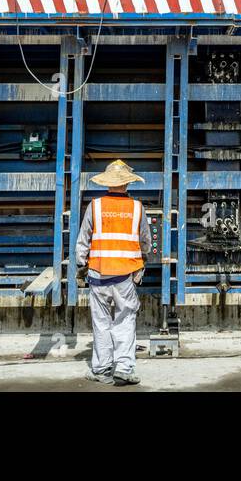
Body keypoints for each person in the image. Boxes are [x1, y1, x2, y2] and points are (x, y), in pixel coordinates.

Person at [74, 159, 153, 386]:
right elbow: (145, 241)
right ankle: (124, 368)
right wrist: (142, 258)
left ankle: (101, 369)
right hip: (125, 275)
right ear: (127, 184)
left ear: (108, 183)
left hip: (98, 273)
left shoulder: (95, 206)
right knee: (125, 319)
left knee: (101, 322)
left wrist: (81, 265)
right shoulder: (137, 208)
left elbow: (83, 240)